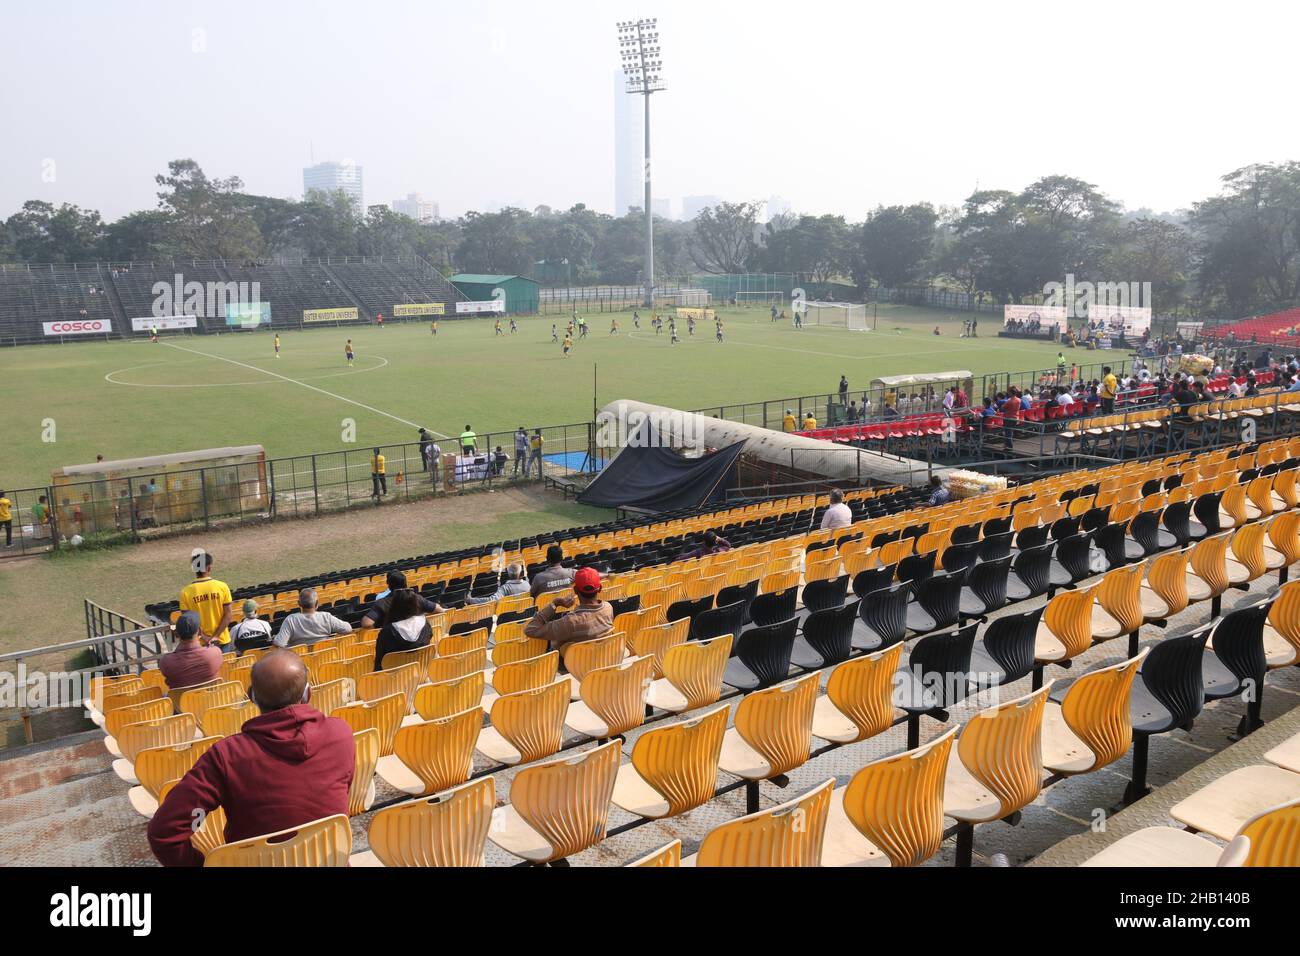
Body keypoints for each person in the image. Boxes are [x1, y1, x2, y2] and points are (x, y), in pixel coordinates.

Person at [147, 650, 356, 867]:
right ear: (308, 694)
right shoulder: (341, 733)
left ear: (251, 696)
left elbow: (164, 833)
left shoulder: (226, 756)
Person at [523, 567, 614, 652]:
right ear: (600, 589)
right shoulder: (608, 608)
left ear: (575, 590)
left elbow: (530, 630)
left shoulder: (570, 622)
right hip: (601, 659)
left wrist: (554, 604)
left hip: (576, 666)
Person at [179, 550, 235, 652]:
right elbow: (228, 614)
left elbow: (187, 622)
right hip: (222, 641)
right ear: (209, 568)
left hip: (199, 644)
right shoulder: (222, 586)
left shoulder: (185, 592)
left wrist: (204, 637)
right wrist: (216, 636)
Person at [157, 610, 225, 691]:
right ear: (199, 631)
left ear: (176, 634)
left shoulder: (166, 662)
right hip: (211, 702)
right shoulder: (215, 653)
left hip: (181, 703)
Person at [372, 588, 434, 670]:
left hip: (392, 680)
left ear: (394, 606)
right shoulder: (425, 624)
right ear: (416, 604)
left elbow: (379, 663)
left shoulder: (387, 632)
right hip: (421, 675)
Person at [360, 571, 444, 628]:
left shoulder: (382, 603)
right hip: (418, 642)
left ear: (389, 585)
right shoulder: (417, 598)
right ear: (405, 584)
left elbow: (366, 623)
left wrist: (380, 628)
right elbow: (439, 609)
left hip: (393, 644)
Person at [274, 588, 353, 647]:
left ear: (299, 604)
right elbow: (348, 628)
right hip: (325, 660)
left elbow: (279, 643)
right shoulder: (326, 617)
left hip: (300, 663)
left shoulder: (291, 620)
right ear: (317, 603)